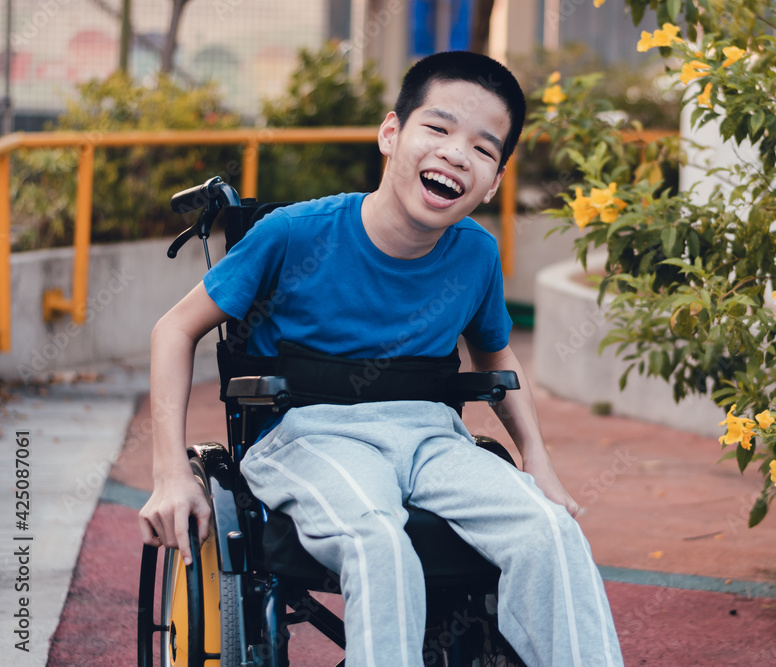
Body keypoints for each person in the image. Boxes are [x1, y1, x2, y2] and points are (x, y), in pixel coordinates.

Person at [139, 50, 624, 666]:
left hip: (430, 437)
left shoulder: (475, 254)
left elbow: (498, 360)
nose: (456, 153)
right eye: (439, 128)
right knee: (377, 541)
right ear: (391, 134)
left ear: (495, 180)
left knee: (550, 531)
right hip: (306, 435)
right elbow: (173, 330)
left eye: (483, 148)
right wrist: (170, 475)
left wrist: (539, 460)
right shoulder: (293, 235)